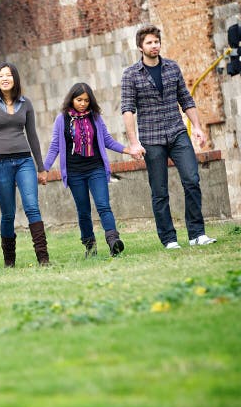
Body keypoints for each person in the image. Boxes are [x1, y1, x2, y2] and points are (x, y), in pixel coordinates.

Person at [121, 24, 217, 249]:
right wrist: (134, 142)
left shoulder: (172, 68)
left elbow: (185, 98)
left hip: (177, 132)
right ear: (140, 47)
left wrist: (198, 127)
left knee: (192, 180)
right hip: (151, 139)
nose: (154, 46)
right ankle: (169, 239)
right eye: (149, 42)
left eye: (156, 41)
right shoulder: (131, 75)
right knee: (160, 191)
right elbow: (127, 109)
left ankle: (196, 234)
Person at [44, 83, 137, 258]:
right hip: (74, 172)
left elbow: (107, 140)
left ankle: (113, 241)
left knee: (103, 205)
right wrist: (44, 169)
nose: (83, 103)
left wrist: (128, 150)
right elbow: (55, 146)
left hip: (96, 168)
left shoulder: (95, 117)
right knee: (84, 210)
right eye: (79, 100)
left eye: (86, 100)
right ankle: (90, 247)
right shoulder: (61, 119)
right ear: (71, 99)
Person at [0, 62, 49, 267]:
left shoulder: (26, 103)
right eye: (1, 76)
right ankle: (9, 261)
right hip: (0, 165)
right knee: (8, 213)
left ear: (15, 79)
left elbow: (33, 136)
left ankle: (43, 258)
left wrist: (41, 167)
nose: (4, 78)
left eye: (8, 75)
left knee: (32, 207)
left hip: (24, 161)